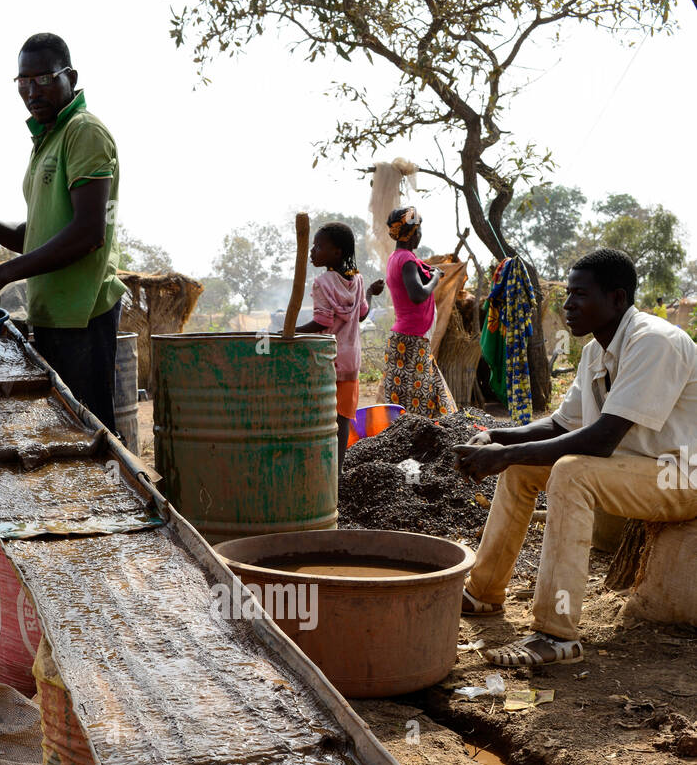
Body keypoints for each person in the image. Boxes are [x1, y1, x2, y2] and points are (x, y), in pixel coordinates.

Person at [454, 247, 697, 668]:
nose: (567, 305)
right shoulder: (594, 353)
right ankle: (484, 592)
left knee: (570, 472)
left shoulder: (654, 341)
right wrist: (496, 437)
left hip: (678, 476)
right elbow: (561, 426)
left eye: (579, 294)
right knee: (523, 465)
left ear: (617, 298)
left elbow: (602, 439)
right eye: (567, 294)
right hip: (634, 470)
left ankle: (556, 633)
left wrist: (503, 453)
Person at [0, 32, 125, 432]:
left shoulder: (83, 132)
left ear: (70, 76)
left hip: (84, 314)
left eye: (43, 79)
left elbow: (89, 232)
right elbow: (35, 236)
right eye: (23, 82)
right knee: (69, 435)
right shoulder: (48, 138)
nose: (32, 91)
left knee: (93, 433)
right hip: (54, 314)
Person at [294, 222, 383, 472]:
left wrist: (292, 332)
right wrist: (371, 293)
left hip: (327, 359)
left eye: (318, 246)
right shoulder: (357, 279)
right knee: (342, 418)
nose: (312, 251)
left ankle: (317, 468)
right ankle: (338, 470)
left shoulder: (322, 283)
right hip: (351, 360)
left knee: (320, 415)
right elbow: (363, 314)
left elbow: (322, 321)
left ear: (337, 252)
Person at [382, 206, 456, 420]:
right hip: (410, 343)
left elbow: (418, 276)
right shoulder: (406, 261)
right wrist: (435, 279)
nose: (421, 235)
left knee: (435, 397)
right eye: (419, 230)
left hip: (411, 342)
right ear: (412, 233)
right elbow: (417, 294)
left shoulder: (397, 258)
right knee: (416, 409)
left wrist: (431, 273)